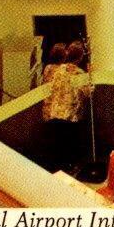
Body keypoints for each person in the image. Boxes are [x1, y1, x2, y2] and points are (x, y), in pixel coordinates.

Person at [41, 42, 91, 173]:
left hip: (52, 112)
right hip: (69, 114)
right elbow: (88, 92)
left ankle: (55, 169)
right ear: (80, 58)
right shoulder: (77, 72)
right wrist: (90, 75)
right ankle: (68, 169)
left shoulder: (55, 69)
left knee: (56, 144)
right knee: (68, 144)